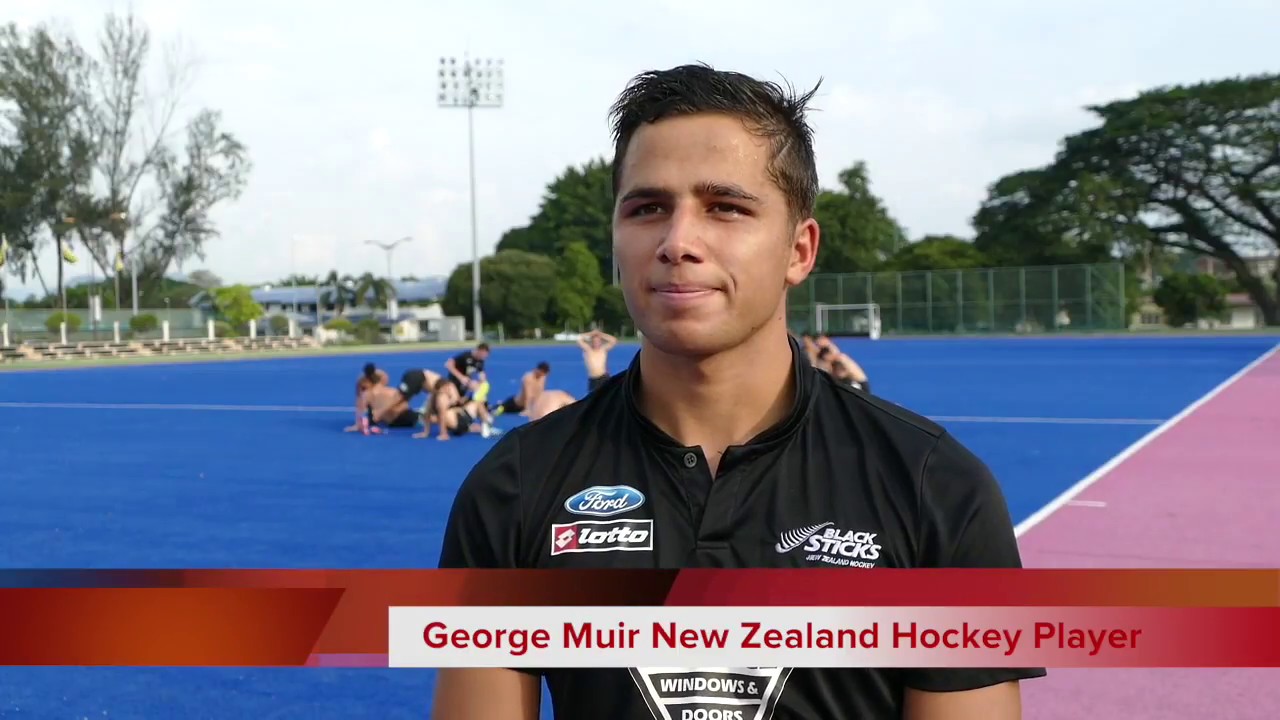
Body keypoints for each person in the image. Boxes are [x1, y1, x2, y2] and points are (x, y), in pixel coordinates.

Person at [433, 63, 1042, 720]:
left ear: (799, 250)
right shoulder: (515, 486)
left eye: (725, 207)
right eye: (647, 208)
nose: (677, 242)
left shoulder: (936, 488)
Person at [414, 377, 497, 440]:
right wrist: (443, 433)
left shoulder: (432, 397)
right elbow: (441, 415)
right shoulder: (442, 397)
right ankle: (486, 422)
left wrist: (426, 432)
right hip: (458, 422)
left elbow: (427, 414)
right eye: (447, 387)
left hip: (459, 419)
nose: (449, 389)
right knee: (478, 404)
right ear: (443, 388)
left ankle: (482, 424)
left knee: (477, 403)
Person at [353, 383, 421, 434]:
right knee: (424, 418)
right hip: (403, 417)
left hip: (393, 421)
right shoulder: (387, 390)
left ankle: (371, 422)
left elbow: (361, 408)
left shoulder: (370, 395)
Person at [343, 363, 389, 432]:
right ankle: (360, 423)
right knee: (364, 398)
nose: (370, 377)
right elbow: (358, 398)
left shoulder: (382, 376)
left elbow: (385, 390)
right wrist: (357, 423)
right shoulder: (361, 380)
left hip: (381, 398)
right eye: (368, 375)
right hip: (370, 399)